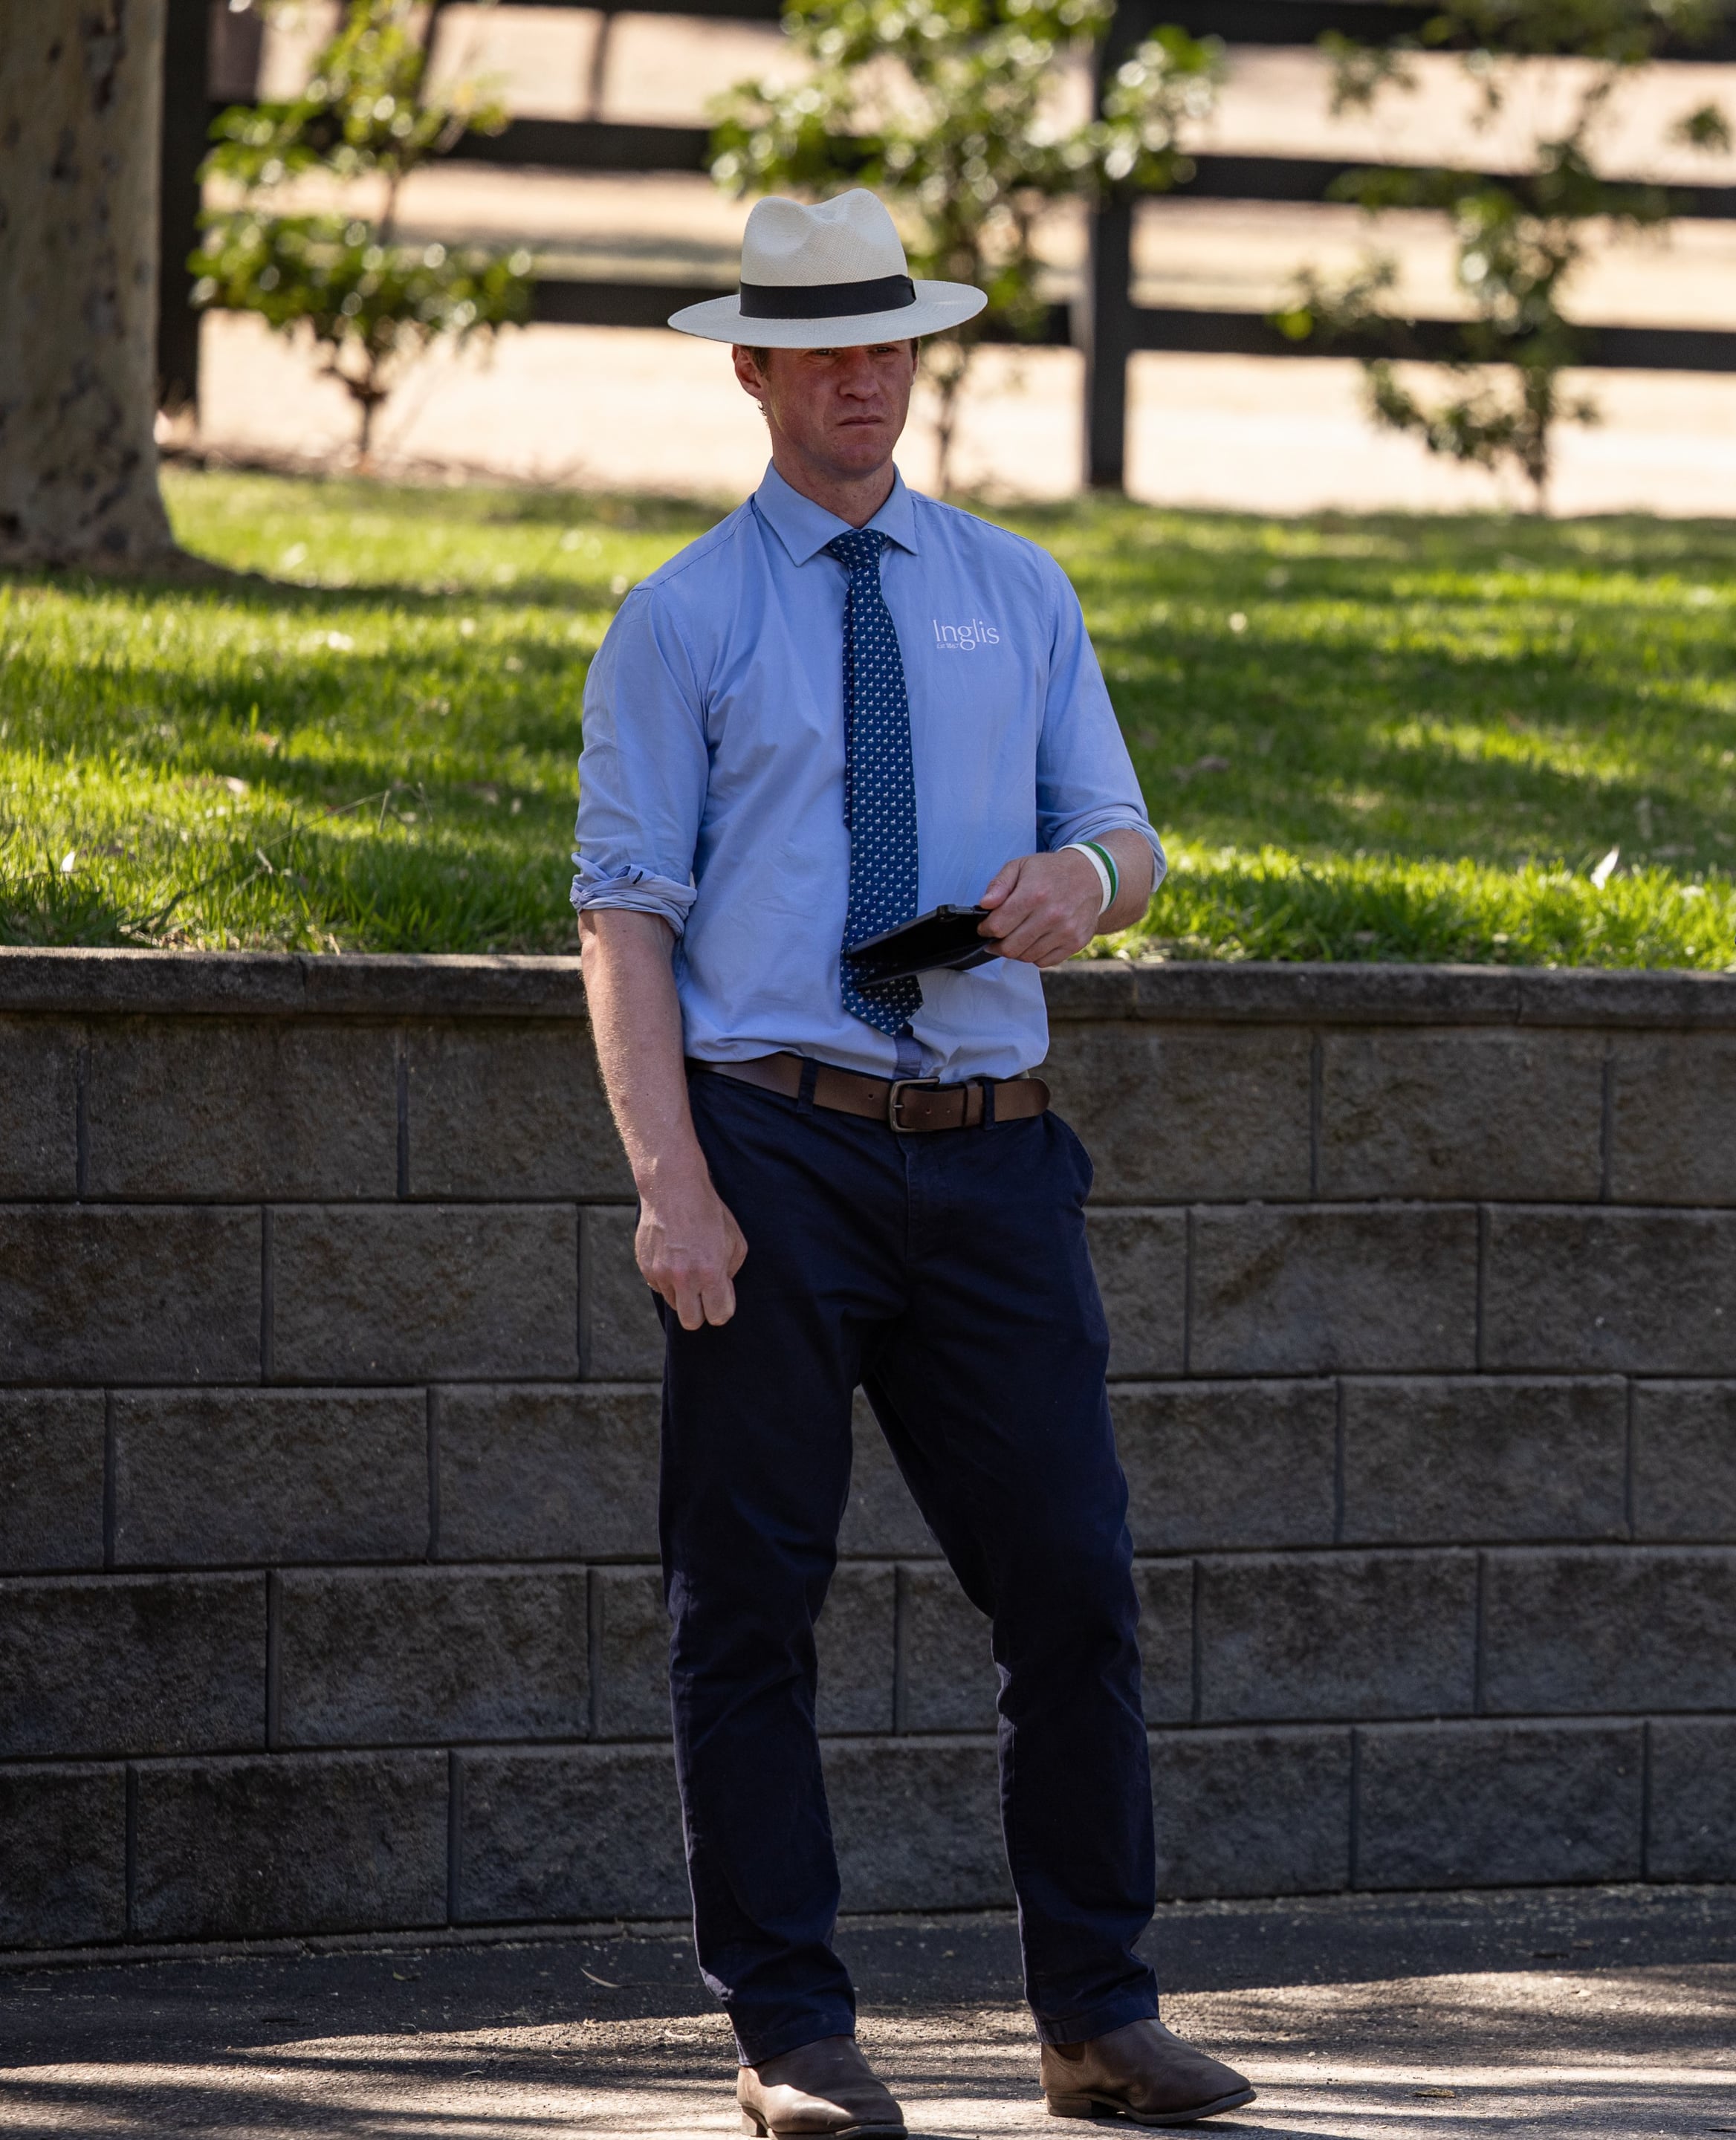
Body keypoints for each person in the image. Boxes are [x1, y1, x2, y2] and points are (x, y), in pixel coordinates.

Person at [570, 189, 1254, 2136]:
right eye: (826, 351)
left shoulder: (1016, 589)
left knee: (1076, 1588)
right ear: (755, 372)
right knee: (751, 1601)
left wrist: (1084, 887)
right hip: (772, 1150)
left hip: (992, 1157)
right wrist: (667, 1179)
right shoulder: (683, 616)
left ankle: (1099, 2021)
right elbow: (623, 916)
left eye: (891, 345)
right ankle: (793, 2036)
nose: (865, 379)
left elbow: (1130, 844)